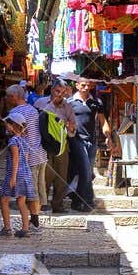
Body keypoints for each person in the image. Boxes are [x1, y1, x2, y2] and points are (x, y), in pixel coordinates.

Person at [2, 83, 46, 232]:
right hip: (40, 154)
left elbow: (20, 142)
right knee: (37, 189)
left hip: (27, 159)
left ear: (13, 97)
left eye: (8, 96)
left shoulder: (15, 112)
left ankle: (33, 224)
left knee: (30, 193)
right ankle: (33, 221)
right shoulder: (33, 109)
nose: (6, 99)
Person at [34, 80, 78, 214]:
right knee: (45, 176)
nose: (60, 95)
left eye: (63, 92)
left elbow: (72, 131)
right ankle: (42, 203)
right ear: (51, 90)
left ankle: (58, 205)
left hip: (62, 146)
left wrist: (71, 128)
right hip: (44, 146)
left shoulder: (68, 107)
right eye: (57, 91)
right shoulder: (40, 103)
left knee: (61, 176)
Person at [0, 109, 35, 237]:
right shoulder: (25, 140)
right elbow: (27, 158)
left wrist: (12, 177)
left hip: (16, 173)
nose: (6, 125)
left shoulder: (13, 141)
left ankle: (7, 228)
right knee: (21, 202)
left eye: (8, 123)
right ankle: (25, 229)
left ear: (14, 125)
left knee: (4, 199)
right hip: (26, 173)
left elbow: (15, 159)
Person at [68, 79, 103, 212]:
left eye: (89, 85)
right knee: (86, 170)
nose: (86, 87)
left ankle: (76, 200)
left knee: (86, 172)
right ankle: (88, 200)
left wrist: (109, 137)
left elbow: (102, 120)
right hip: (76, 139)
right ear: (77, 86)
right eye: (83, 85)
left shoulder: (96, 102)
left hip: (92, 140)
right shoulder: (70, 103)